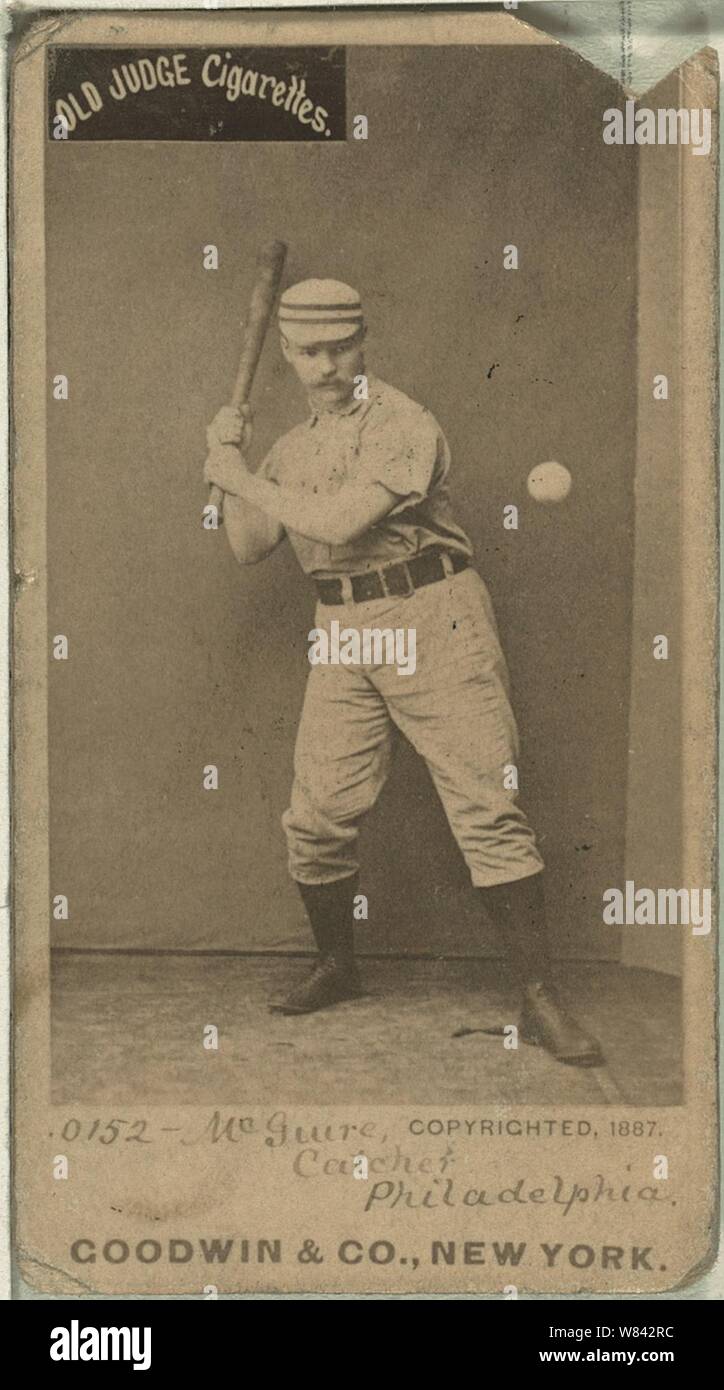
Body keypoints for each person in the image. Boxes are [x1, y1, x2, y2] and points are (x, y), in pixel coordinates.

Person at [204, 278, 603, 1067]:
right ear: (285, 355)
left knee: (487, 806)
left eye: (339, 348)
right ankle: (337, 964)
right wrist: (231, 463)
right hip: (343, 628)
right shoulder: (291, 446)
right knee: (316, 817)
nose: (325, 366)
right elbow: (250, 546)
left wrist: (241, 476)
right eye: (308, 352)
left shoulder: (403, 422)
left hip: (432, 614)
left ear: (364, 343)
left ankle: (540, 995)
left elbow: (340, 521)